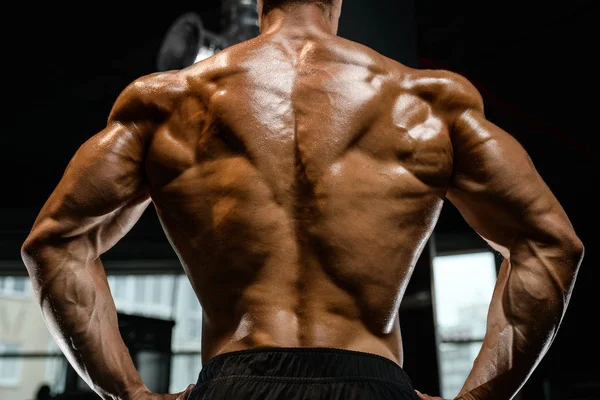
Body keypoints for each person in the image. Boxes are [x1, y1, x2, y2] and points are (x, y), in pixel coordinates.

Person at [20, 0, 584, 399]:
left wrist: (129, 396)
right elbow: (552, 244)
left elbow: (53, 243)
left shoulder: (168, 102)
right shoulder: (428, 101)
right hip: (372, 383)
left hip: (233, 383)